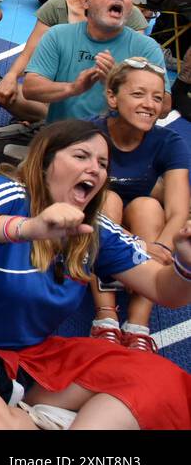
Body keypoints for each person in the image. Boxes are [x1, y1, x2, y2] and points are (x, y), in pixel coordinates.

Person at [0, 120, 191, 430]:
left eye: (103, 163)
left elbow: (165, 290)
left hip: (32, 357)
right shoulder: (11, 194)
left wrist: (186, 264)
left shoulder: (94, 230)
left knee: (159, 380)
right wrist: (28, 229)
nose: (95, 168)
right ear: (45, 162)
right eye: (81, 156)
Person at [89, 59, 190, 352]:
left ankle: (138, 324)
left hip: (142, 225)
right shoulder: (91, 134)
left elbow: (178, 211)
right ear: (112, 97)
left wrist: (157, 252)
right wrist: (136, 248)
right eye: (138, 94)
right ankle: (105, 317)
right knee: (106, 198)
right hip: (99, 223)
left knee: (148, 206)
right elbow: (75, 201)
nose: (149, 104)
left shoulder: (169, 141)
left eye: (157, 98)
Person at [23, 0, 168, 124]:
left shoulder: (147, 47)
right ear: (86, 1)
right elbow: (30, 89)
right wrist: (73, 88)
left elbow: (164, 108)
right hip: (65, 138)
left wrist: (116, 82)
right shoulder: (58, 35)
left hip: (118, 143)